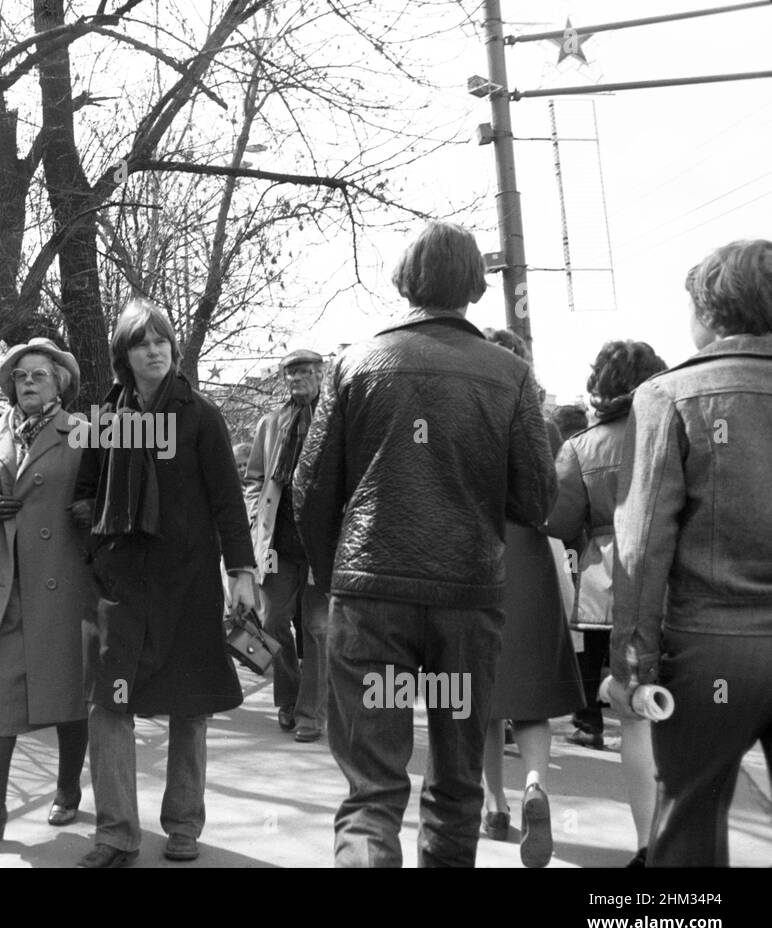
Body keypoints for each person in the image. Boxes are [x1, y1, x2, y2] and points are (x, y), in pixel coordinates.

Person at [295, 220, 556, 867]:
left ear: (406, 277)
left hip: (371, 598)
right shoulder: (509, 373)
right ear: (474, 284)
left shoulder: (353, 364)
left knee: (372, 791)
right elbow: (537, 499)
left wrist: (340, 575)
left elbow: (309, 489)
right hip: (465, 603)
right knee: (456, 783)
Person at [71, 297, 257, 868]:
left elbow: (228, 500)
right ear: (124, 355)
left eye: (162, 341)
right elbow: (84, 495)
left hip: (186, 581)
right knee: (110, 703)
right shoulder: (106, 419)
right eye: (142, 342)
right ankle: (116, 834)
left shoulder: (199, 415)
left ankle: (182, 826)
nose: (155, 350)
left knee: (188, 703)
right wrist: (99, 549)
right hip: (121, 584)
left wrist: (242, 573)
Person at [606, 239, 772, 867]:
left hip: (711, 646)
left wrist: (631, 667)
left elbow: (643, 544)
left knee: (690, 831)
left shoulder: (669, 395)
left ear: (710, 311)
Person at [0, 338, 92, 841]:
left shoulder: (84, 435)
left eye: (40, 375)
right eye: (21, 376)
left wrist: (90, 512)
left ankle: (68, 791)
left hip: (64, 582)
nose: (28, 383)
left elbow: (104, 496)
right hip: (3, 583)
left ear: (60, 383)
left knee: (68, 691)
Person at [543, 339, 668, 867]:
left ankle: (648, 845)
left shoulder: (580, 448)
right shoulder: (677, 428)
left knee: (635, 715)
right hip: (680, 586)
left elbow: (557, 524)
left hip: (613, 589)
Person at [477, 327, 585, 869]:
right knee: (532, 696)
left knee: (483, 696)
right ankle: (536, 784)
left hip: (478, 559)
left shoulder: (466, 415)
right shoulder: (541, 427)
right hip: (530, 561)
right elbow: (552, 500)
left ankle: (494, 806)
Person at [245, 349, 330, 743]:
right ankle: (289, 699)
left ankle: (312, 714)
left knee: (316, 628)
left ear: (320, 375)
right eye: (292, 373)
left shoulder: (335, 419)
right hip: (278, 542)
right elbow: (255, 478)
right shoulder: (271, 423)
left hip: (319, 544)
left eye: (305, 372)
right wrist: (252, 515)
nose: (298, 379)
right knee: (272, 622)